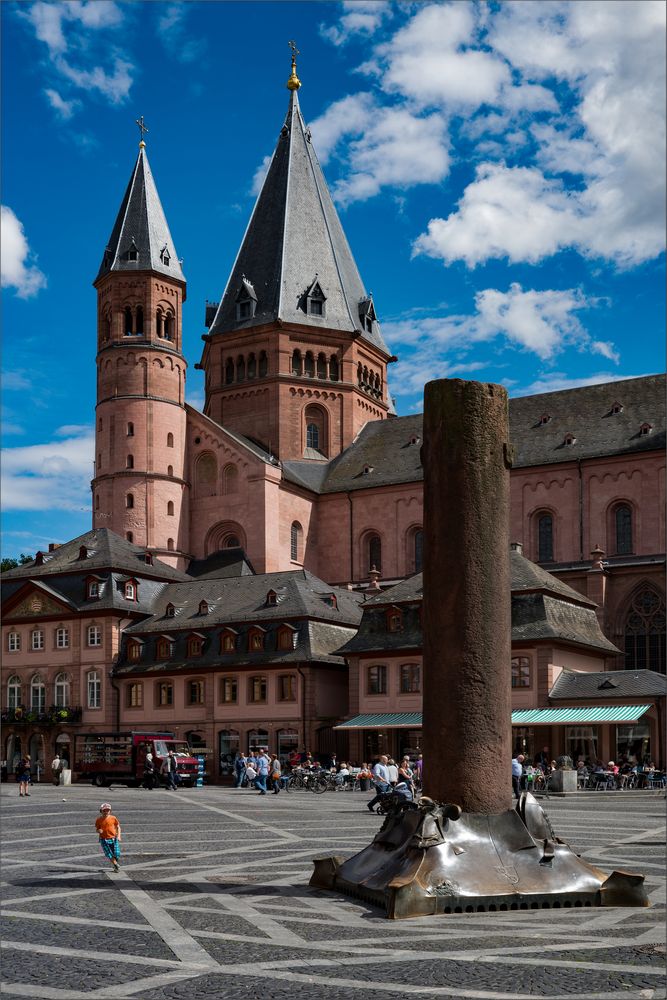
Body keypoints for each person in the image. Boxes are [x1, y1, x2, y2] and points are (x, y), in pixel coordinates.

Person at [95, 802, 122, 872]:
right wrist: (99, 831)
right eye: (104, 810)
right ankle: (116, 865)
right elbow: (97, 829)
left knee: (116, 854)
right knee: (109, 853)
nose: (106, 812)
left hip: (114, 838)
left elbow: (118, 827)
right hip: (104, 839)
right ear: (101, 811)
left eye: (108, 810)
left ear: (110, 811)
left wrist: (119, 836)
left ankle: (115, 864)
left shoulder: (113, 818)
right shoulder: (98, 820)